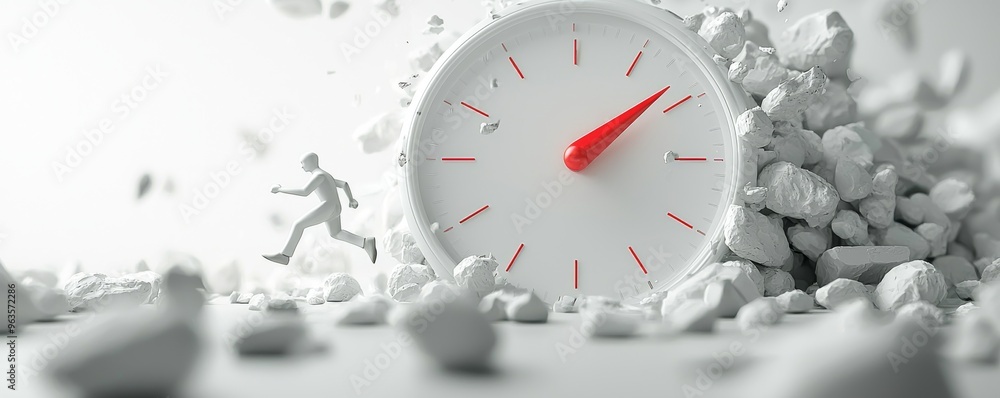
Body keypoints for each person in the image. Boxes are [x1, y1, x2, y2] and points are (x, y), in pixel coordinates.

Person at [263, 152, 377, 265]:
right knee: (336, 233)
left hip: (328, 206)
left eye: (303, 163)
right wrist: (351, 199)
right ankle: (365, 242)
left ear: (310, 162)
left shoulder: (318, 176)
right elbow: (344, 184)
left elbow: (304, 192)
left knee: (298, 224)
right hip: (336, 207)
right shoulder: (325, 174)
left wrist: (280, 189)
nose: (301, 166)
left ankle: (285, 255)